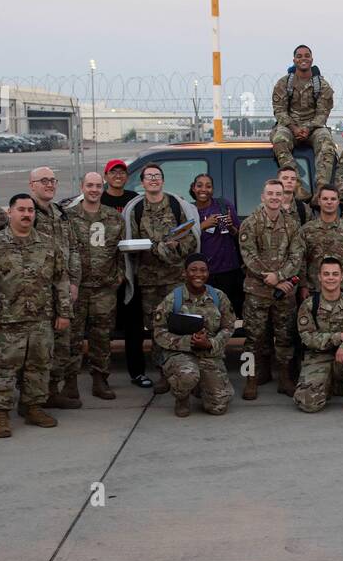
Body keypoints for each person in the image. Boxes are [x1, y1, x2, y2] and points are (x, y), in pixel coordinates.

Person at [0, 194, 72, 438]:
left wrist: (64, 312)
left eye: (30, 210)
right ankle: (1, 414)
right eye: (21, 210)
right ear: (10, 212)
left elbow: (61, 279)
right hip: (6, 321)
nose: (27, 214)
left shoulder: (48, 244)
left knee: (38, 366)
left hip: (41, 319)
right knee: (2, 369)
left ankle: (33, 407)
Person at [120, 163, 201, 394]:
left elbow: (191, 239)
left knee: (180, 325)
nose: (153, 180)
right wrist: (157, 248)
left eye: (157, 176)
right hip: (148, 282)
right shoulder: (135, 209)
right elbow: (130, 243)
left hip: (175, 280)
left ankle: (185, 371)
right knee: (157, 329)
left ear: (163, 181)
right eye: (149, 177)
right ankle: (164, 374)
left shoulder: (177, 205)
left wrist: (173, 247)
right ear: (142, 182)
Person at [239, 179, 305, 400]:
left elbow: (297, 256)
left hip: (284, 292)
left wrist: (280, 276)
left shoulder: (292, 225)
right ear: (262, 196)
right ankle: (250, 380)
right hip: (257, 292)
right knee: (252, 339)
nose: (275, 197)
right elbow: (249, 257)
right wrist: (274, 279)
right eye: (271, 193)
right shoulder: (250, 224)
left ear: (285, 197)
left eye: (280, 194)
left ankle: (285, 379)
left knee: (285, 338)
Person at [152, 254, 235, 418]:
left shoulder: (218, 297)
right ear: (185, 273)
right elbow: (159, 331)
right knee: (188, 374)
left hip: (208, 353)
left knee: (218, 407)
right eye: (193, 270)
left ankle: (200, 388)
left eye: (203, 270)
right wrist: (187, 341)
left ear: (208, 273)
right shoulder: (173, 299)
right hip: (181, 354)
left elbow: (228, 327)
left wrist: (210, 343)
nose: (198, 274)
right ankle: (181, 397)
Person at [29, 166, 83, 409]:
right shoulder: (26, 212)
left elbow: (72, 250)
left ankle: (52, 391)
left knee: (61, 345)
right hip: (35, 293)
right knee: (37, 349)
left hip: (61, 292)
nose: (49, 185)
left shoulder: (60, 214)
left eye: (52, 180)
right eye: (44, 181)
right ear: (32, 185)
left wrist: (74, 283)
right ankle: (32, 399)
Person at [69, 171, 125, 401]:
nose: (94, 189)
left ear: (102, 189)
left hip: (104, 289)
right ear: (81, 187)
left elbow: (121, 251)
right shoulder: (69, 217)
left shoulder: (114, 218)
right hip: (77, 289)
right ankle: (70, 381)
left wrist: (118, 277)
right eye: (89, 185)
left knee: (102, 336)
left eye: (97, 186)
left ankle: (100, 379)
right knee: (72, 336)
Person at [294, 257, 343, 414]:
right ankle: (330, 383)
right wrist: (339, 337)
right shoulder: (309, 305)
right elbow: (308, 338)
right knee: (308, 403)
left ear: (342, 277)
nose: (331, 278)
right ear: (319, 277)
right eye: (327, 274)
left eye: (335, 274)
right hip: (318, 357)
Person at [101, 159, 150, 388]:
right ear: (106, 176)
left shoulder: (136, 199)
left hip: (132, 271)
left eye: (122, 172)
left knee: (134, 327)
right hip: (105, 273)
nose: (118, 175)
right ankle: (100, 377)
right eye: (113, 172)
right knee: (102, 329)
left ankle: (137, 372)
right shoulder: (97, 199)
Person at [270, 44, 336, 193]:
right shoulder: (284, 83)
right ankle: (297, 187)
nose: (303, 59)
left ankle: (321, 189)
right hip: (289, 127)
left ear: (312, 59)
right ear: (294, 60)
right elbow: (279, 111)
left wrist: (308, 128)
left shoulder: (322, 86)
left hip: (313, 129)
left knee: (326, 142)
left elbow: (322, 114)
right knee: (279, 140)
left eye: (307, 56)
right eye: (299, 56)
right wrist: (294, 128)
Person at [191, 172, 242, 318]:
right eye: (199, 185)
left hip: (229, 269)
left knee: (229, 312)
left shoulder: (223, 205)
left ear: (212, 190)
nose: (203, 189)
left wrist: (231, 227)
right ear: (193, 188)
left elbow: (239, 235)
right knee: (207, 313)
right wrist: (203, 225)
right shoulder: (189, 210)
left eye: (208, 186)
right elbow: (184, 238)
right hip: (204, 272)